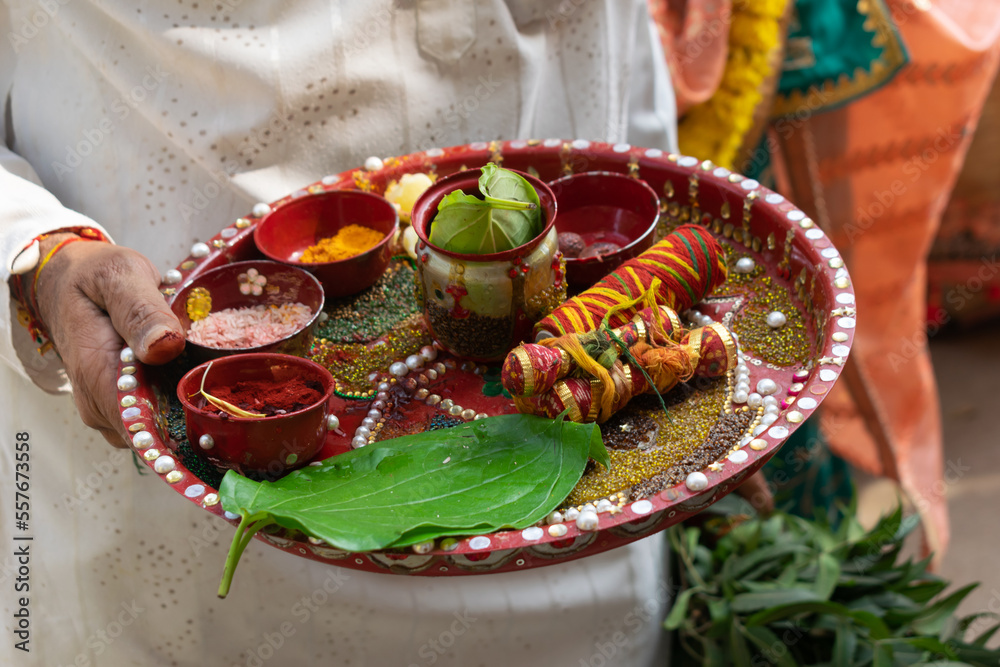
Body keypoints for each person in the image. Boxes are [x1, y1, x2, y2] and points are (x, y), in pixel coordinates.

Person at [0, 1, 684, 665]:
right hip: (193, 558)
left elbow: (616, 53)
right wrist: (40, 253)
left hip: (582, 519)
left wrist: (684, 350)